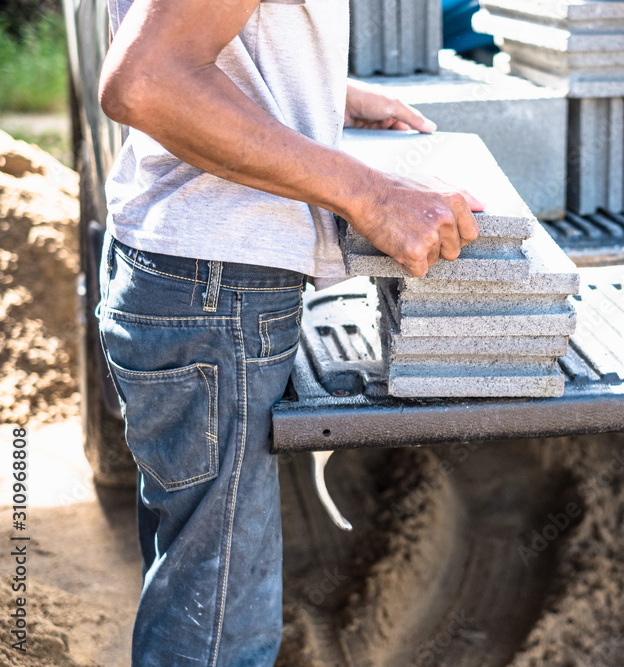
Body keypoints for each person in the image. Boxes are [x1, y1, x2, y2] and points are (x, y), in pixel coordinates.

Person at [96, 0, 482, 664]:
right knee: (218, 631)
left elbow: (210, 38)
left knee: (196, 583)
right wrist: (369, 192)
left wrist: (319, 97)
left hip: (193, 272)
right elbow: (148, 79)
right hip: (214, 288)